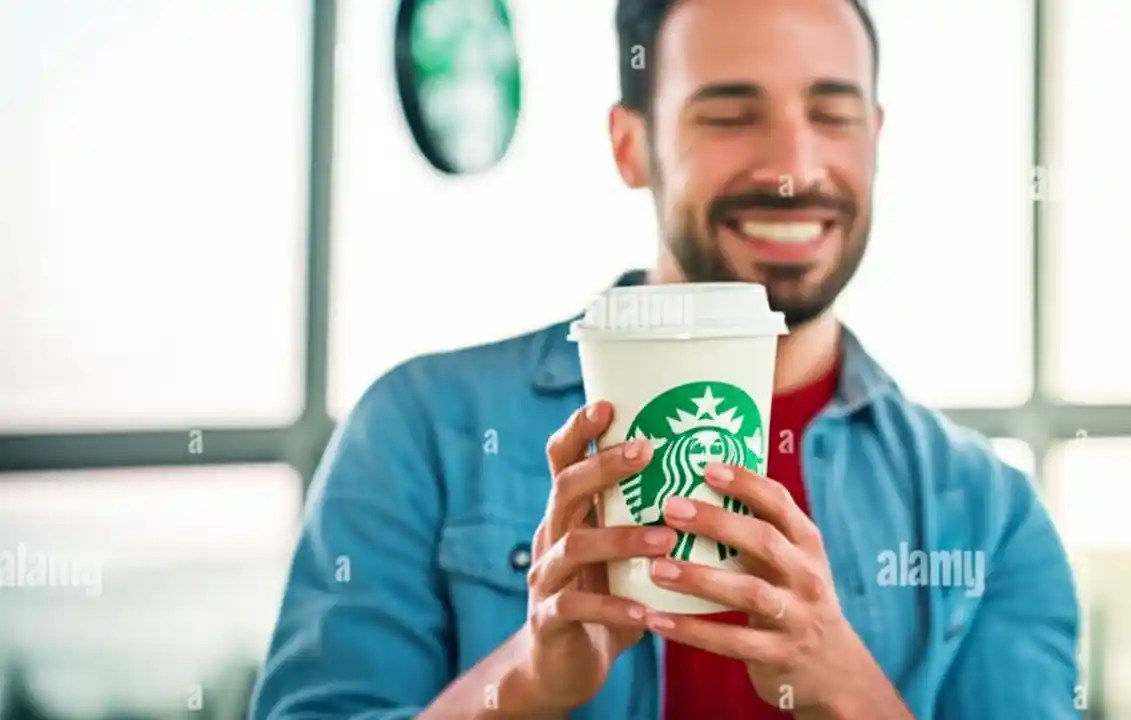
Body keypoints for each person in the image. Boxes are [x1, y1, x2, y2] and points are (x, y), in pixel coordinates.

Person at [250, 0, 1080, 718]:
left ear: (877, 137)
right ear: (631, 147)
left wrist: (847, 691)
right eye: (729, 113)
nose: (794, 169)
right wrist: (527, 683)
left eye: (833, 113)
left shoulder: (991, 514)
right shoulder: (418, 432)